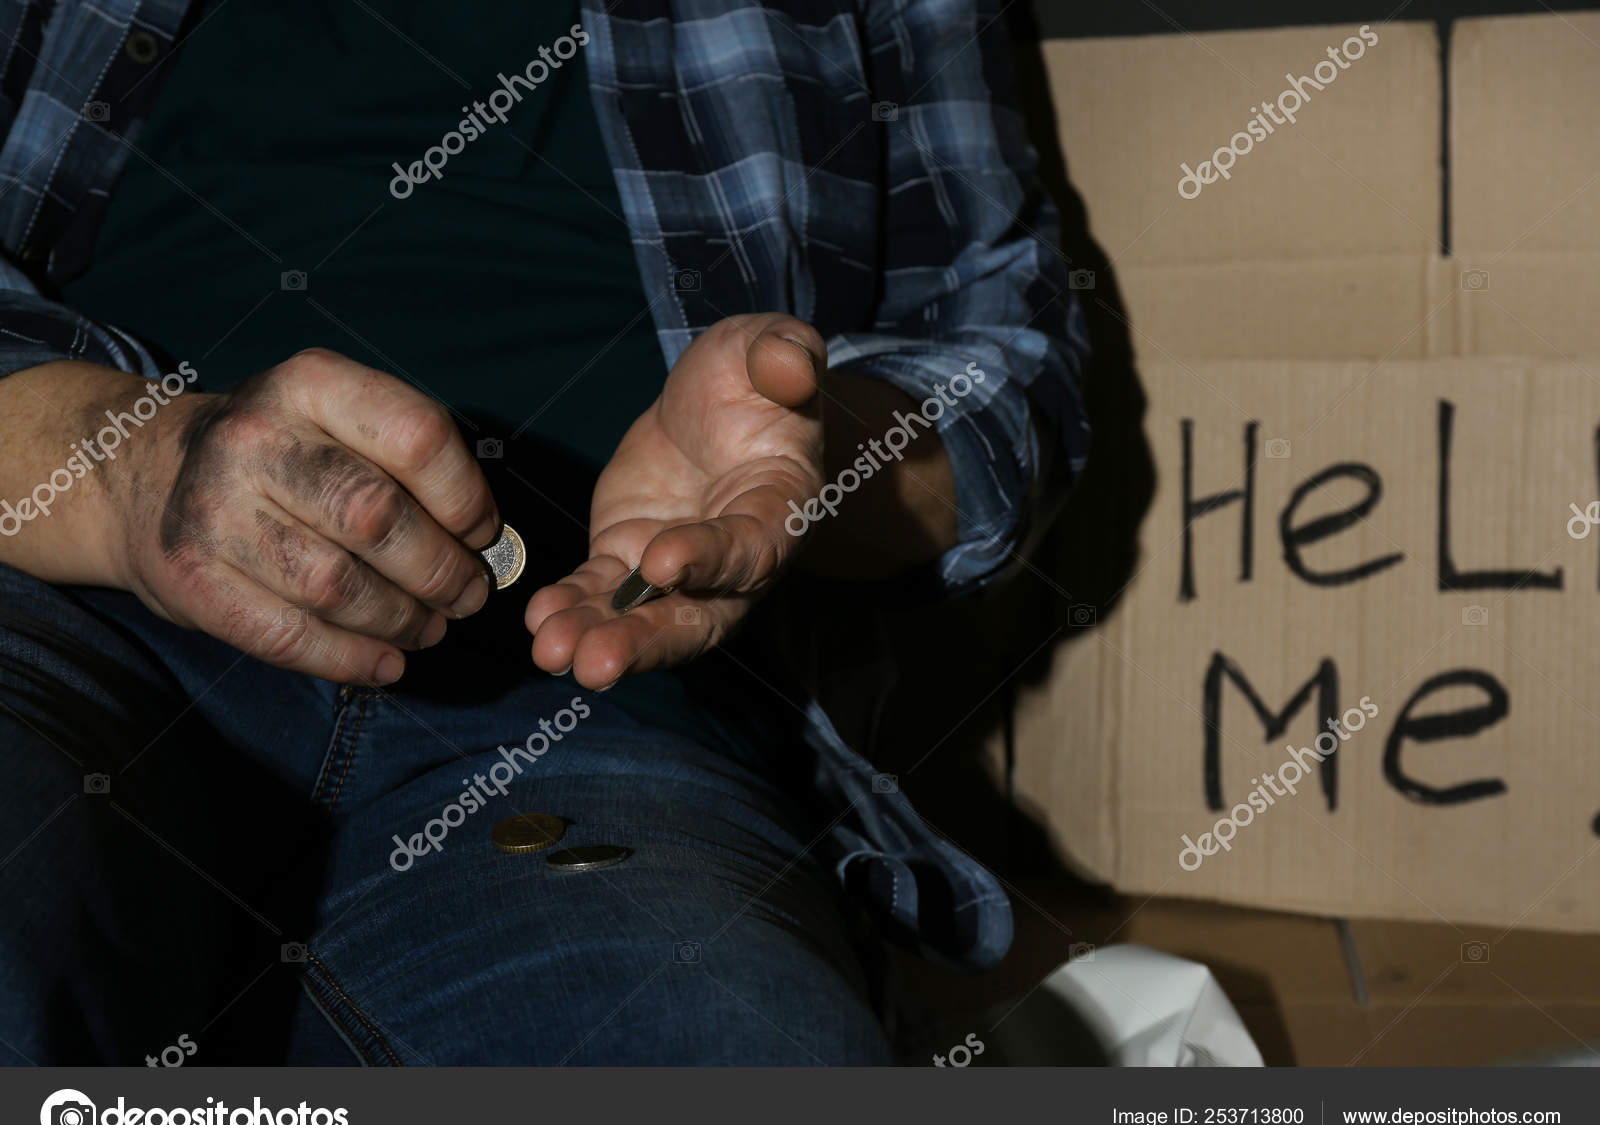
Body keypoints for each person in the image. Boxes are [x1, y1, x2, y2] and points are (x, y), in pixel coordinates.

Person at [0, 0, 1089, 1065]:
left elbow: (1011, 359)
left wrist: (812, 450)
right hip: (70, 627)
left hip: (596, 700)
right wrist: (127, 467)